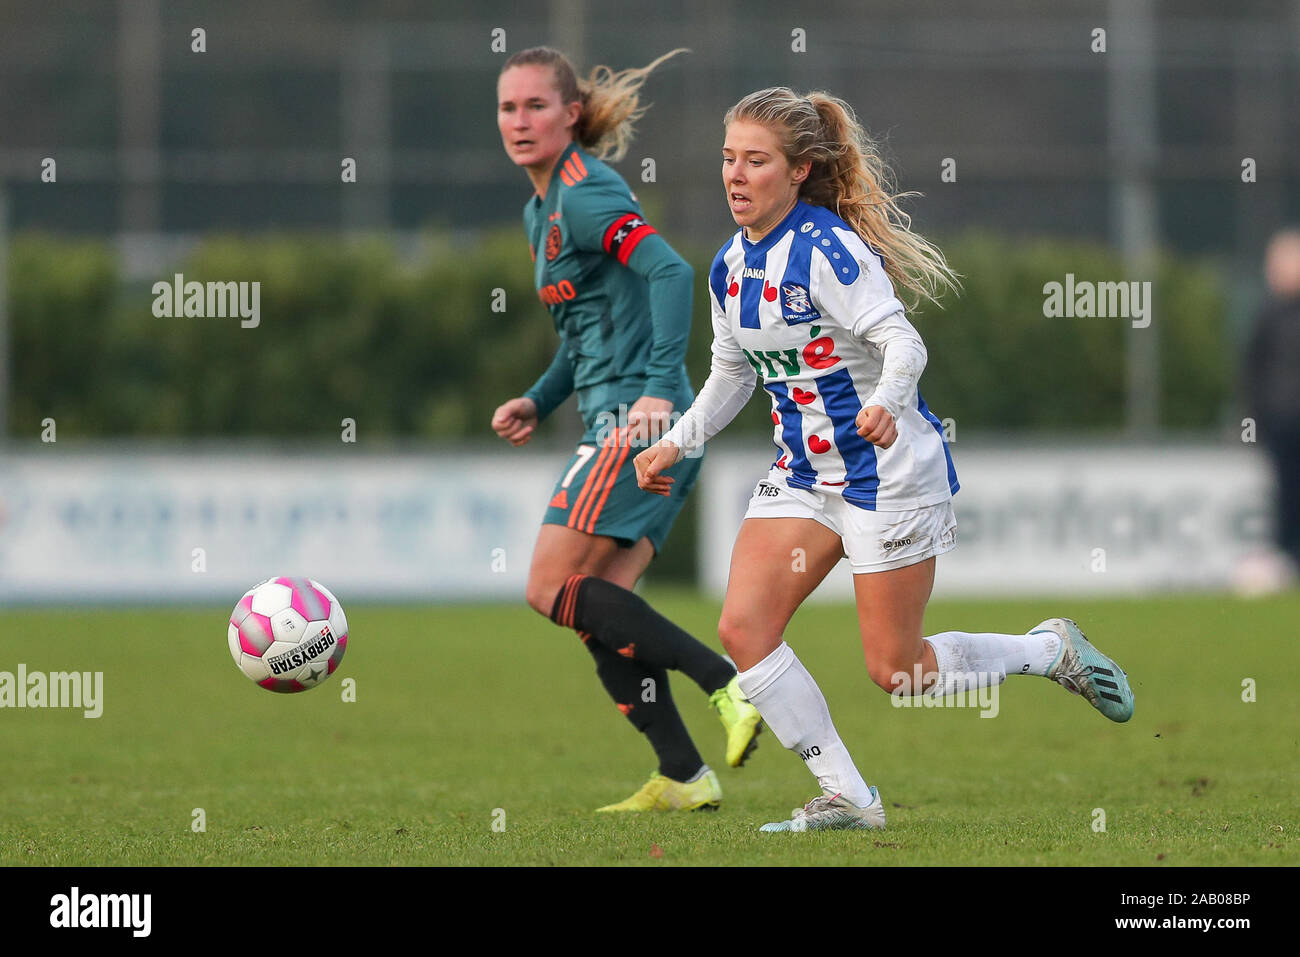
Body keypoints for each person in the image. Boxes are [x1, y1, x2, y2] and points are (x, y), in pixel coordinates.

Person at [634, 86, 1135, 832]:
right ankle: (850, 797)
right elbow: (733, 373)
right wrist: (680, 439)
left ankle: (1046, 650)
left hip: (886, 473)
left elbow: (905, 342)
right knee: (743, 628)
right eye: (728, 159)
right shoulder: (729, 267)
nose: (736, 176)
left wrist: (886, 404)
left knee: (899, 672)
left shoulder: (828, 249)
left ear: (799, 170)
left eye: (756, 161)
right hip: (804, 475)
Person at [490, 46, 761, 812]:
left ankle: (728, 683)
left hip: (638, 421)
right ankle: (683, 773)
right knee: (596, 604)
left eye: (535, 106)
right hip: (627, 415)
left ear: (570, 113)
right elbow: (585, 335)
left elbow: (672, 271)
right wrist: (538, 402)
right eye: (508, 108)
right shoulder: (539, 209)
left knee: (548, 587)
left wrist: (653, 393)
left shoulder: (584, 195)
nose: (520, 121)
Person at [1244, 228, 1300, 587]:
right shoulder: (1267, 316)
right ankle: (1285, 558)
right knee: (1286, 491)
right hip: (1281, 422)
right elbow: (1251, 372)